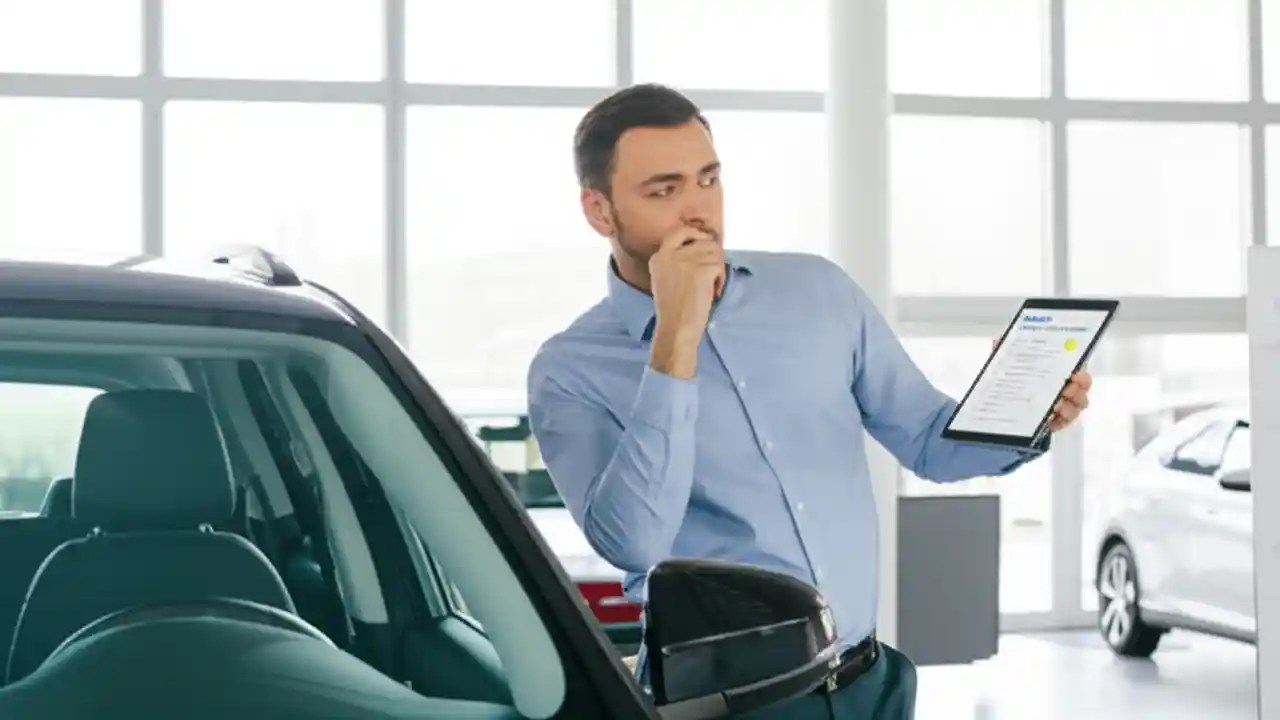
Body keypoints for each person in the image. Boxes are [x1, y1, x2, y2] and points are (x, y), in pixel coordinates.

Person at [525, 84, 1092, 719]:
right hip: (728, 705)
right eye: (664, 190)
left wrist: (1018, 419)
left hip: (870, 684)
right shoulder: (569, 370)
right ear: (599, 211)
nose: (698, 210)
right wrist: (675, 339)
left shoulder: (819, 292)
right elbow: (633, 541)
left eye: (708, 180)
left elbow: (929, 440)